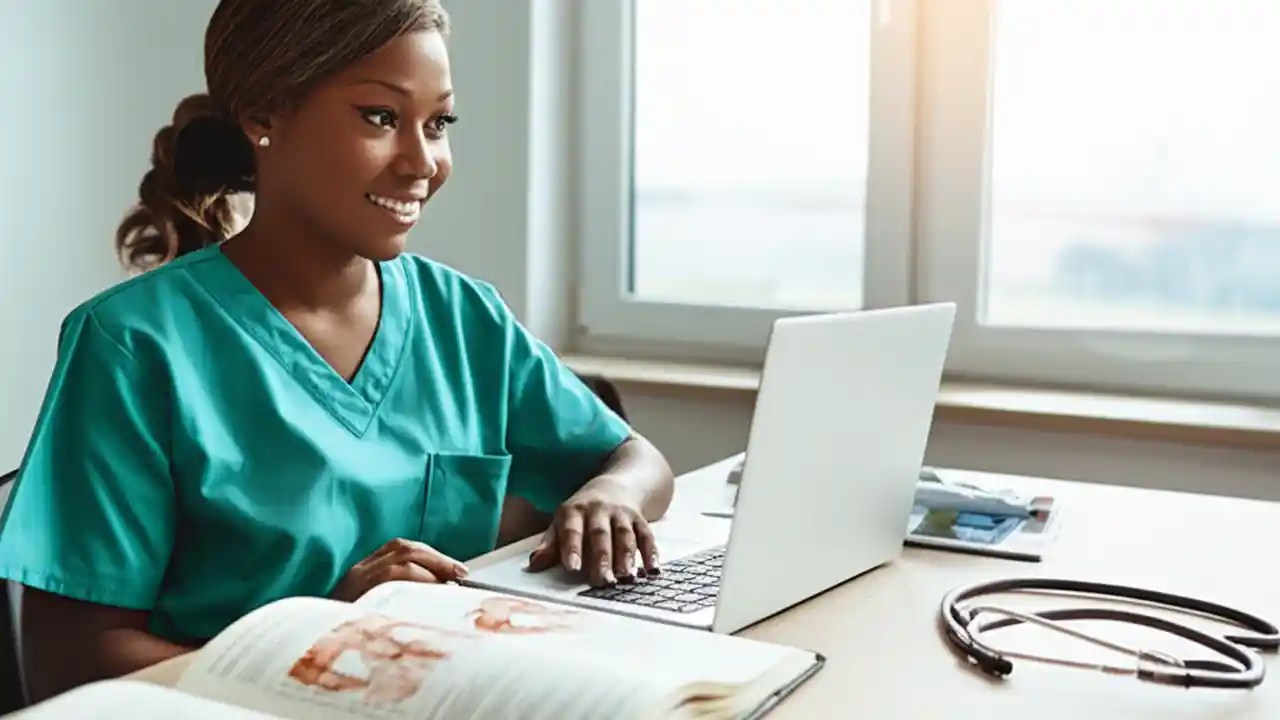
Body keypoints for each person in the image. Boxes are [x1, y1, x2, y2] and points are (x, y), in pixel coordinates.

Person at [0, 0, 674, 702]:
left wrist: (611, 494)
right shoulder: (131, 346)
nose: (422, 162)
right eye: (380, 117)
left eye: (439, 123)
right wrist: (321, 639)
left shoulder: (463, 316)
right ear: (263, 115)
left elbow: (635, 459)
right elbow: (69, 665)